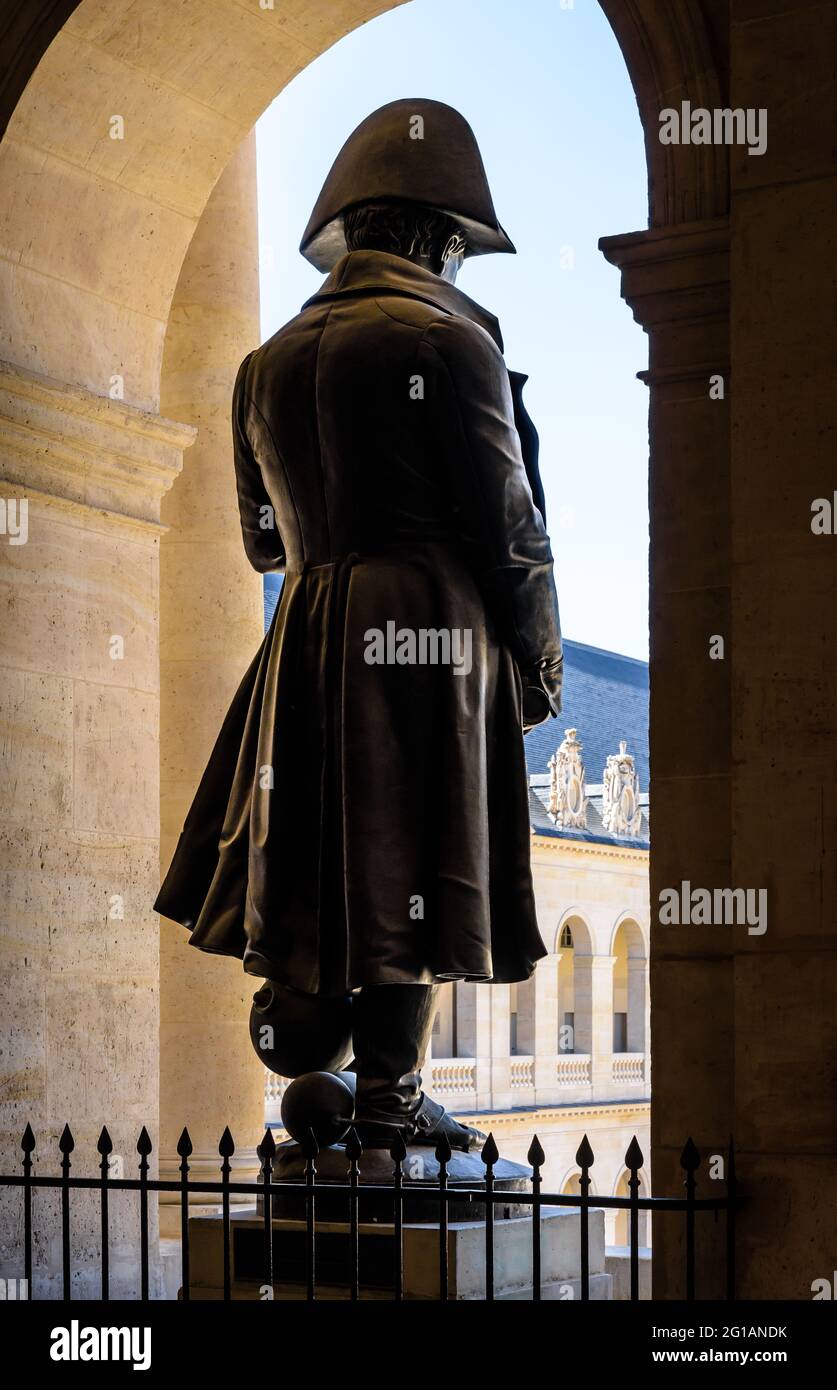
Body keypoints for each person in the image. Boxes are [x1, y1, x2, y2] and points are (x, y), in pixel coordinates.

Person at [154, 99, 563, 1150]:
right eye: (457, 248)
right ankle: (388, 1095)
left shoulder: (264, 364)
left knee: (326, 849)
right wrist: (538, 664)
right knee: (414, 850)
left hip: (309, 628)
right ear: (431, 235)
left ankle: (347, 1068)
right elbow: (511, 529)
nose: (457, 266)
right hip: (428, 622)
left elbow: (261, 542)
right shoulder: (450, 340)